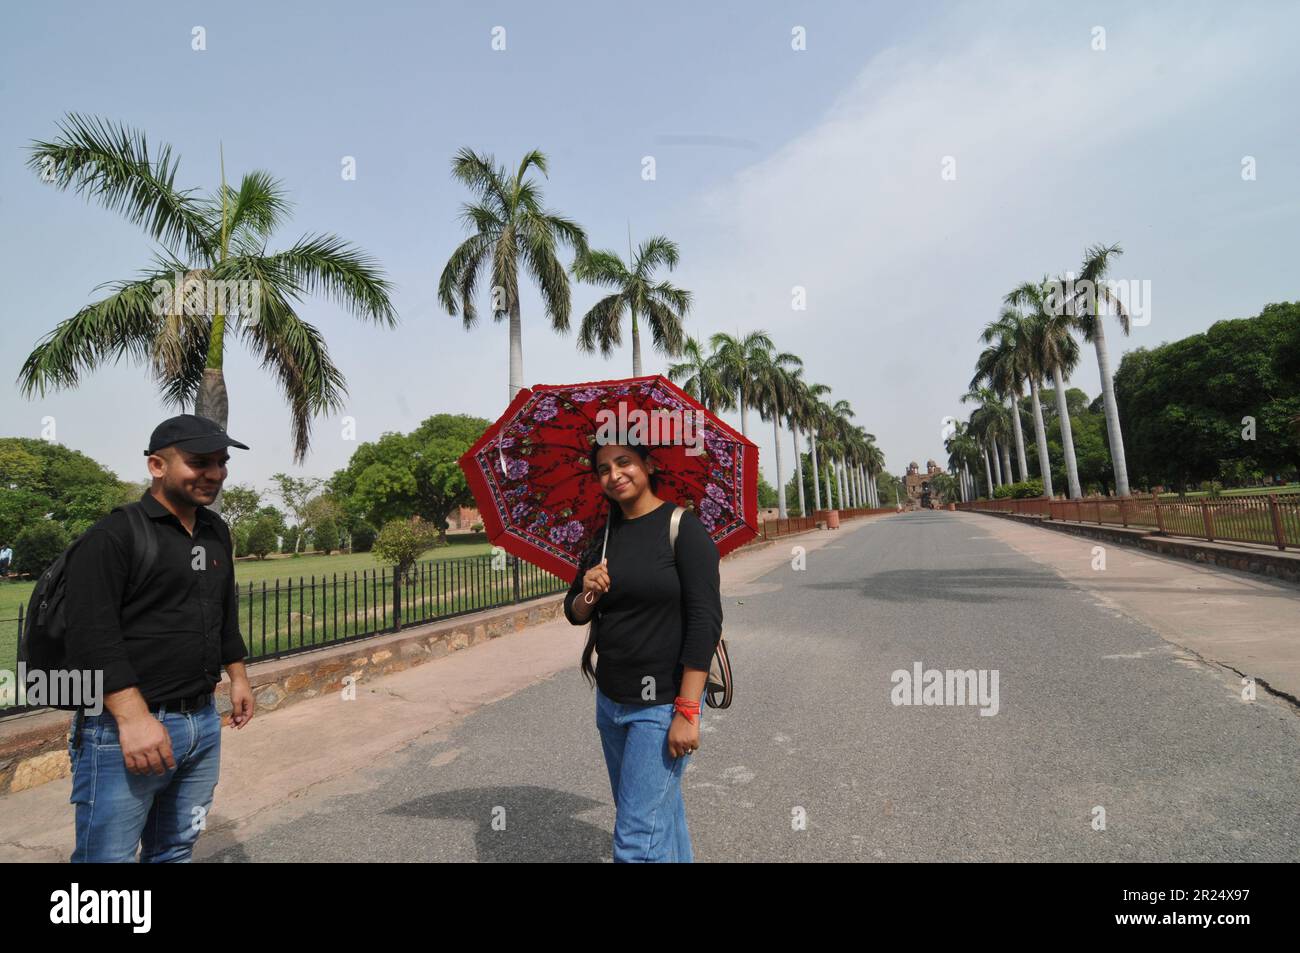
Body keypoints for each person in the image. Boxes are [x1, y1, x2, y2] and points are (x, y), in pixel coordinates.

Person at [63, 414, 256, 862]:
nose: (215, 474)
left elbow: (222, 610)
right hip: (122, 729)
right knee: (106, 858)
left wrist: (238, 676)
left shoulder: (214, 531)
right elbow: (91, 637)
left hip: (202, 721)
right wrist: (134, 721)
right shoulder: (115, 535)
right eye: (199, 462)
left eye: (222, 462)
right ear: (157, 466)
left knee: (174, 848)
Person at [563, 439, 723, 862]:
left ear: (648, 465)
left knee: (635, 839)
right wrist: (589, 592)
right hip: (611, 701)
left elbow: (705, 621)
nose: (613, 475)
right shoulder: (603, 538)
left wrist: (688, 710)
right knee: (659, 817)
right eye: (602, 469)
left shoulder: (681, 527)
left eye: (623, 462)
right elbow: (574, 612)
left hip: (662, 704)